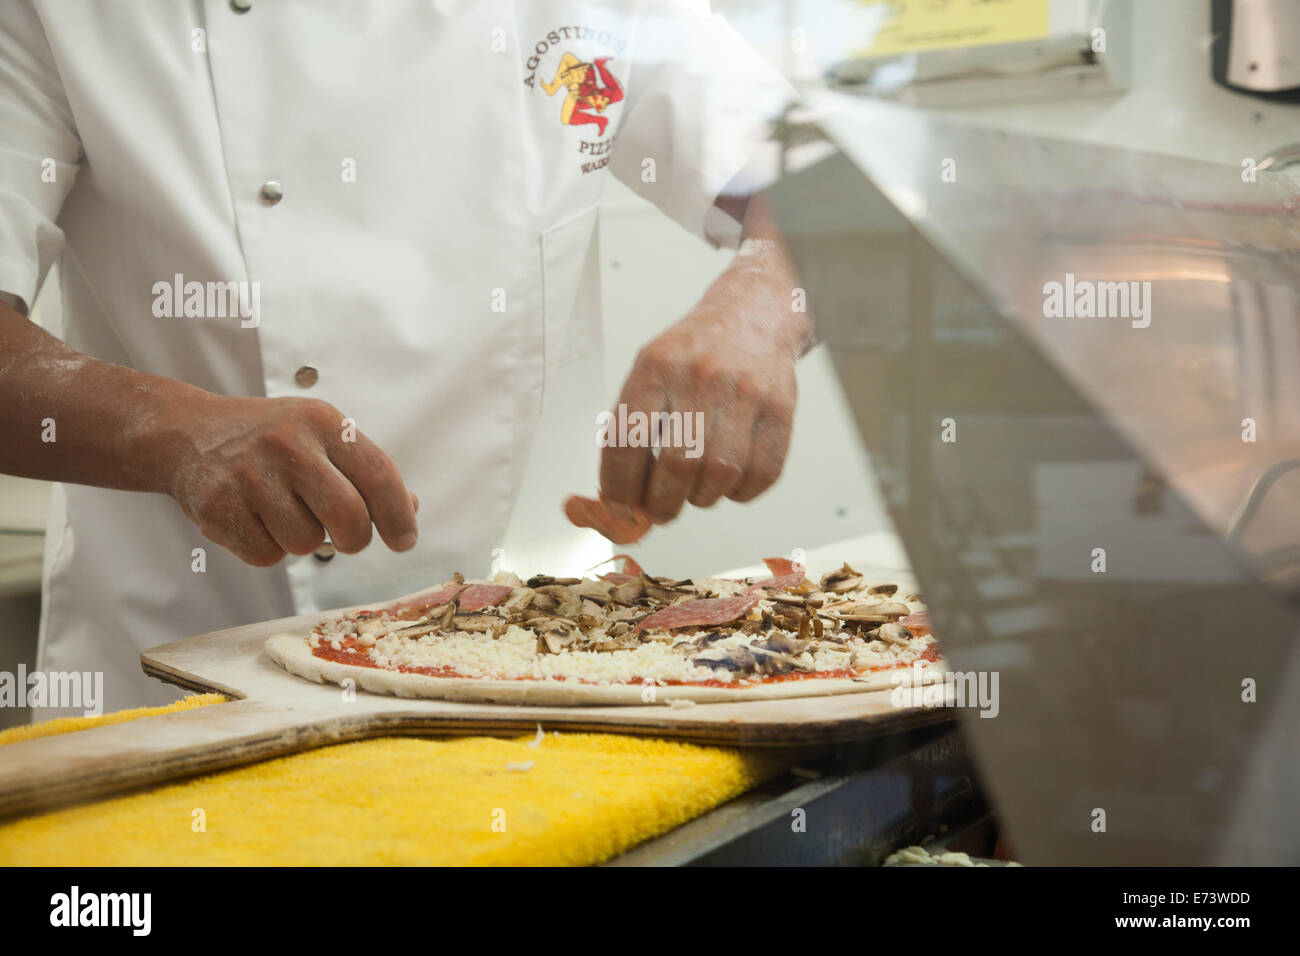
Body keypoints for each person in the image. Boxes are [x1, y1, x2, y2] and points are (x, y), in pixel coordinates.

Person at [0, 1, 812, 713]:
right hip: (178, 670)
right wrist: (171, 430)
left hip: (542, 662)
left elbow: (826, 177)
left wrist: (759, 307)